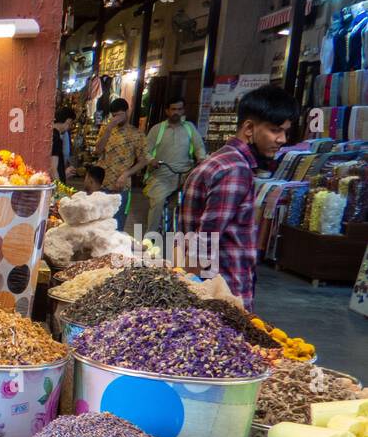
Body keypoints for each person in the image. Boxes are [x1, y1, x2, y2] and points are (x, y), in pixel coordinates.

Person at [181, 84, 297, 310]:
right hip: (225, 296)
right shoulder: (235, 169)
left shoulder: (218, 160)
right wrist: (196, 297)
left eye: (286, 132)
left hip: (214, 291)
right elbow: (205, 241)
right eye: (275, 130)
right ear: (249, 128)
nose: (282, 139)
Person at [143, 96, 206, 232]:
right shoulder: (157, 129)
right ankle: (150, 239)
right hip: (162, 175)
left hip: (185, 176)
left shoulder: (190, 128)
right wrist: (151, 160)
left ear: (183, 110)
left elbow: (199, 147)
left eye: (179, 109)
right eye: (173, 109)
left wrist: (201, 158)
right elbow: (144, 151)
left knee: (195, 204)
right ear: (167, 111)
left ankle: (188, 237)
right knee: (157, 203)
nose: (176, 112)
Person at [91, 98, 147, 231]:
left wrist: (126, 174)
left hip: (121, 186)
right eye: (114, 115)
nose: (116, 118)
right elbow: (97, 151)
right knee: (97, 224)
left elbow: (143, 161)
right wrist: (109, 128)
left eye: (120, 115)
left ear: (128, 112)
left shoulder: (137, 134)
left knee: (117, 225)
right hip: (101, 183)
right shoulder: (106, 129)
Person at [51, 106, 75, 183]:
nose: (70, 127)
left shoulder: (51, 134)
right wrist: (59, 190)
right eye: (71, 123)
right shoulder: (56, 138)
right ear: (68, 121)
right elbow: (53, 168)